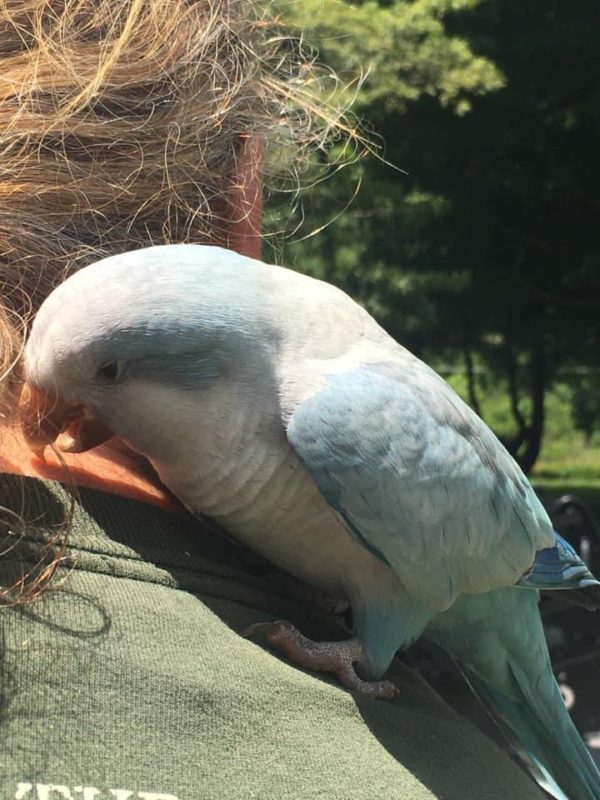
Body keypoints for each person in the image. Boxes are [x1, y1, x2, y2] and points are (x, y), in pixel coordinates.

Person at [0, 2, 545, 798]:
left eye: (108, 376)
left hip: (476, 591)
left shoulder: (336, 411)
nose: (55, 423)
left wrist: (356, 652)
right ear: (240, 200)